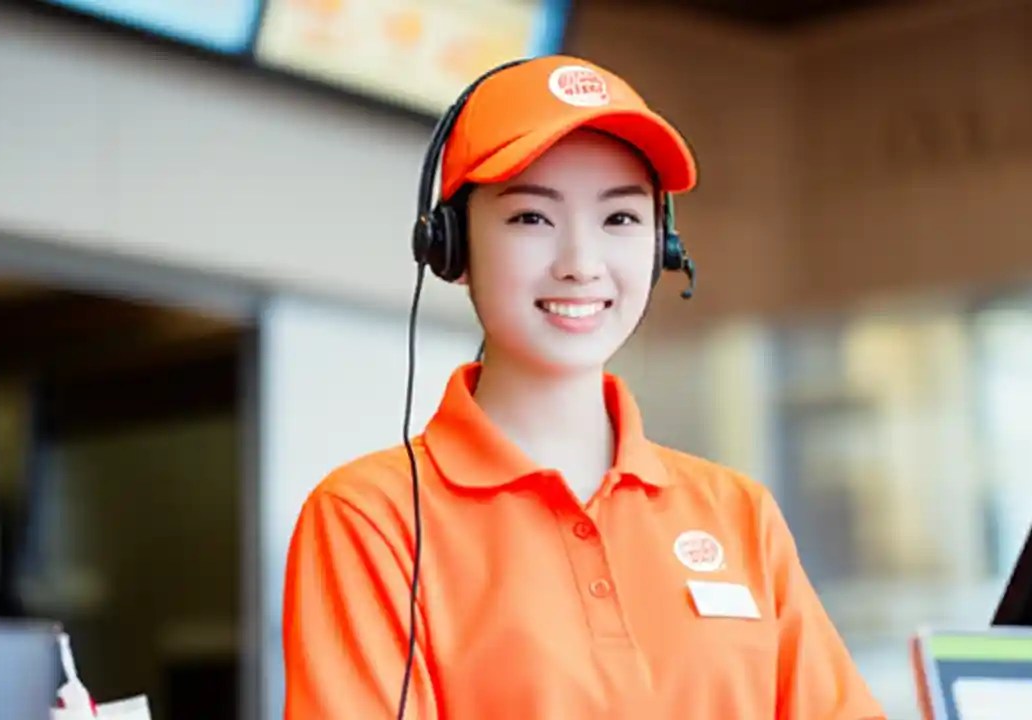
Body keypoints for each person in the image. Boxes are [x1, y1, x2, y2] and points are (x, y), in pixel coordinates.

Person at [281, 54, 886, 720]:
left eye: (620, 219)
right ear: (450, 248)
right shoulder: (372, 518)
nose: (581, 264)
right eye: (531, 219)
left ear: (664, 247)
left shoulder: (740, 515)